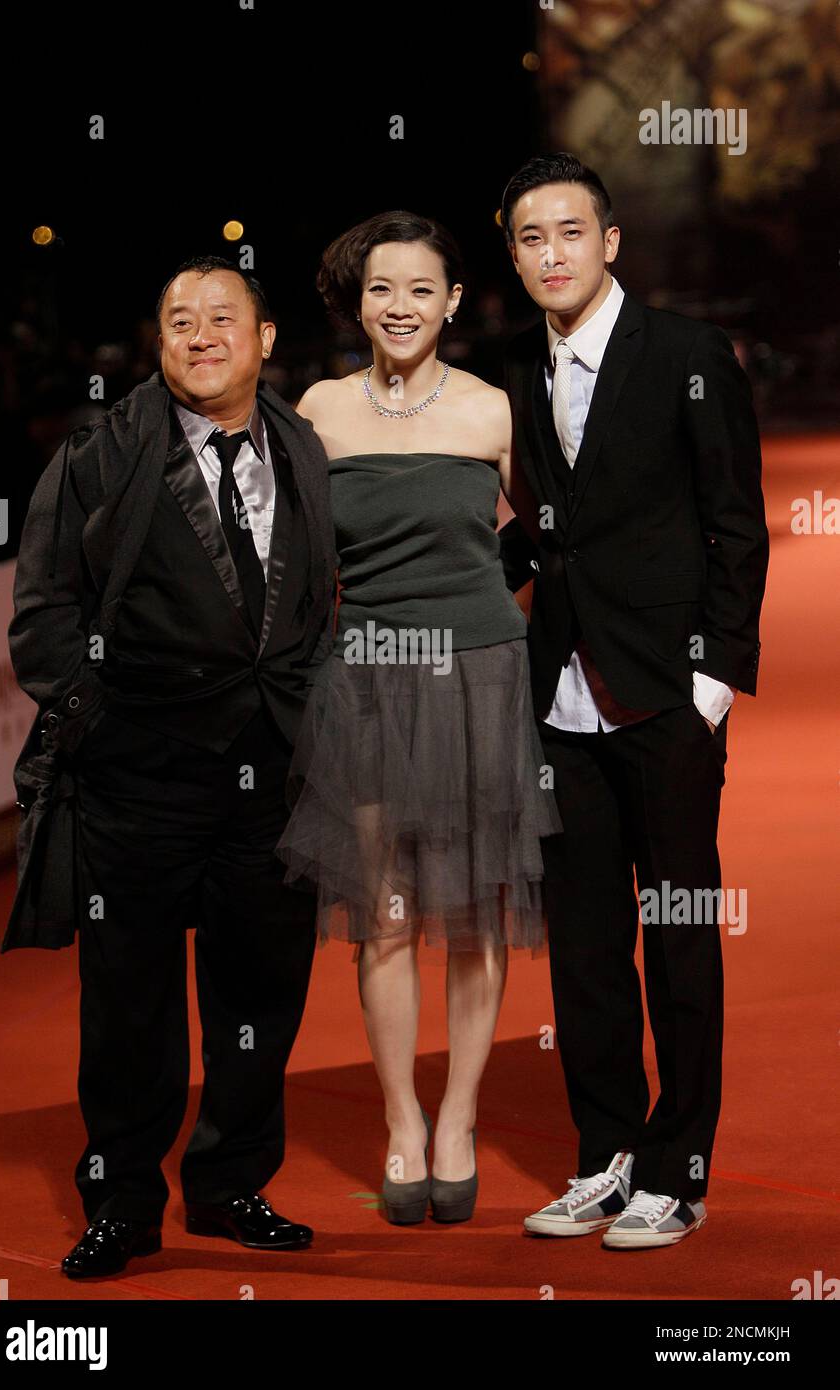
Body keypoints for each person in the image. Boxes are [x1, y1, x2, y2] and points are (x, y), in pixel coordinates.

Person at [4, 256, 337, 1277]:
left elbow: (317, 596)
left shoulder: (302, 446)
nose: (200, 336)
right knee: (128, 1006)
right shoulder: (101, 453)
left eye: (221, 318)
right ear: (157, 344)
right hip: (138, 773)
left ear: (265, 338)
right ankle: (123, 1203)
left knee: (258, 997)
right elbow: (41, 612)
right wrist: (97, 722)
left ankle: (232, 1183)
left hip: (273, 775)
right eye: (179, 321)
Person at [498, 154, 769, 1248]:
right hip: (556, 693)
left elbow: (734, 522)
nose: (551, 252)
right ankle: (602, 1158)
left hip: (663, 694)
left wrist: (709, 681)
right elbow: (545, 526)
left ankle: (676, 1165)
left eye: (569, 231)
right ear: (513, 256)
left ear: (609, 241)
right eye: (528, 238)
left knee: (679, 933)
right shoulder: (515, 369)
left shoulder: (686, 354)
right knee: (584, 940)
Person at [274, 211, 562, 1226]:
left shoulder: (491, 410)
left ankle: (458, 1118)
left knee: (477, 915)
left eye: (418, 290)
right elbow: (295, 560)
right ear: (360, 305)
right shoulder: (317, 410)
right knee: (386, 912)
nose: (398, 307)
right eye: (379, 290)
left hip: (479, 672)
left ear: (451, 302)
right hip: (366, 681)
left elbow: (542, 536)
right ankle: (400, 1116)